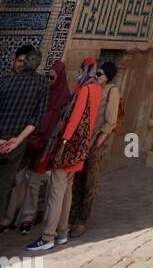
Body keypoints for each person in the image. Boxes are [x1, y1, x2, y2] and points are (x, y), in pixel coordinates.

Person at [26, 59, 101, 254]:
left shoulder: (84, 89)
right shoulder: (97, 89)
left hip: (68, 147)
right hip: (82, 146)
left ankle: (48, 236)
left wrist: (64, 143)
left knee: (56, 192)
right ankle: (62, 232)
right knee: (67, 190)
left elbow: (75, 117)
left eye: (81, 68)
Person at [1, 59, 70, 233]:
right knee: (17, 179)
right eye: (48, 76)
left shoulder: (64, 98)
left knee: (34, 182)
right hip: (27, 141)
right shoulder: (41, 90)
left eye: (53, 76)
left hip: (45, 146)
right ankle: (7, 218)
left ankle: (27, 218)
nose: (50, 79)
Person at [69, 60, 120, 237]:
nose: (96, 77)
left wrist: (99, 140)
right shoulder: (90, 89)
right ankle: (70, 217)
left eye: (100, 74)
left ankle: (82, 220)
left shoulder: (111, 91)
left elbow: (111, 120)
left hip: (95, 143)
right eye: (96, 73)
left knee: (90, 180)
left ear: (108, 77)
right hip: (82, 141)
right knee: (76, 180)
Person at [0, 45, 48, 217]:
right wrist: (16, 140)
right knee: (4, 187)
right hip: (16, 144)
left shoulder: (6, 81)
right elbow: (37, 118)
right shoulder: (41, 82)